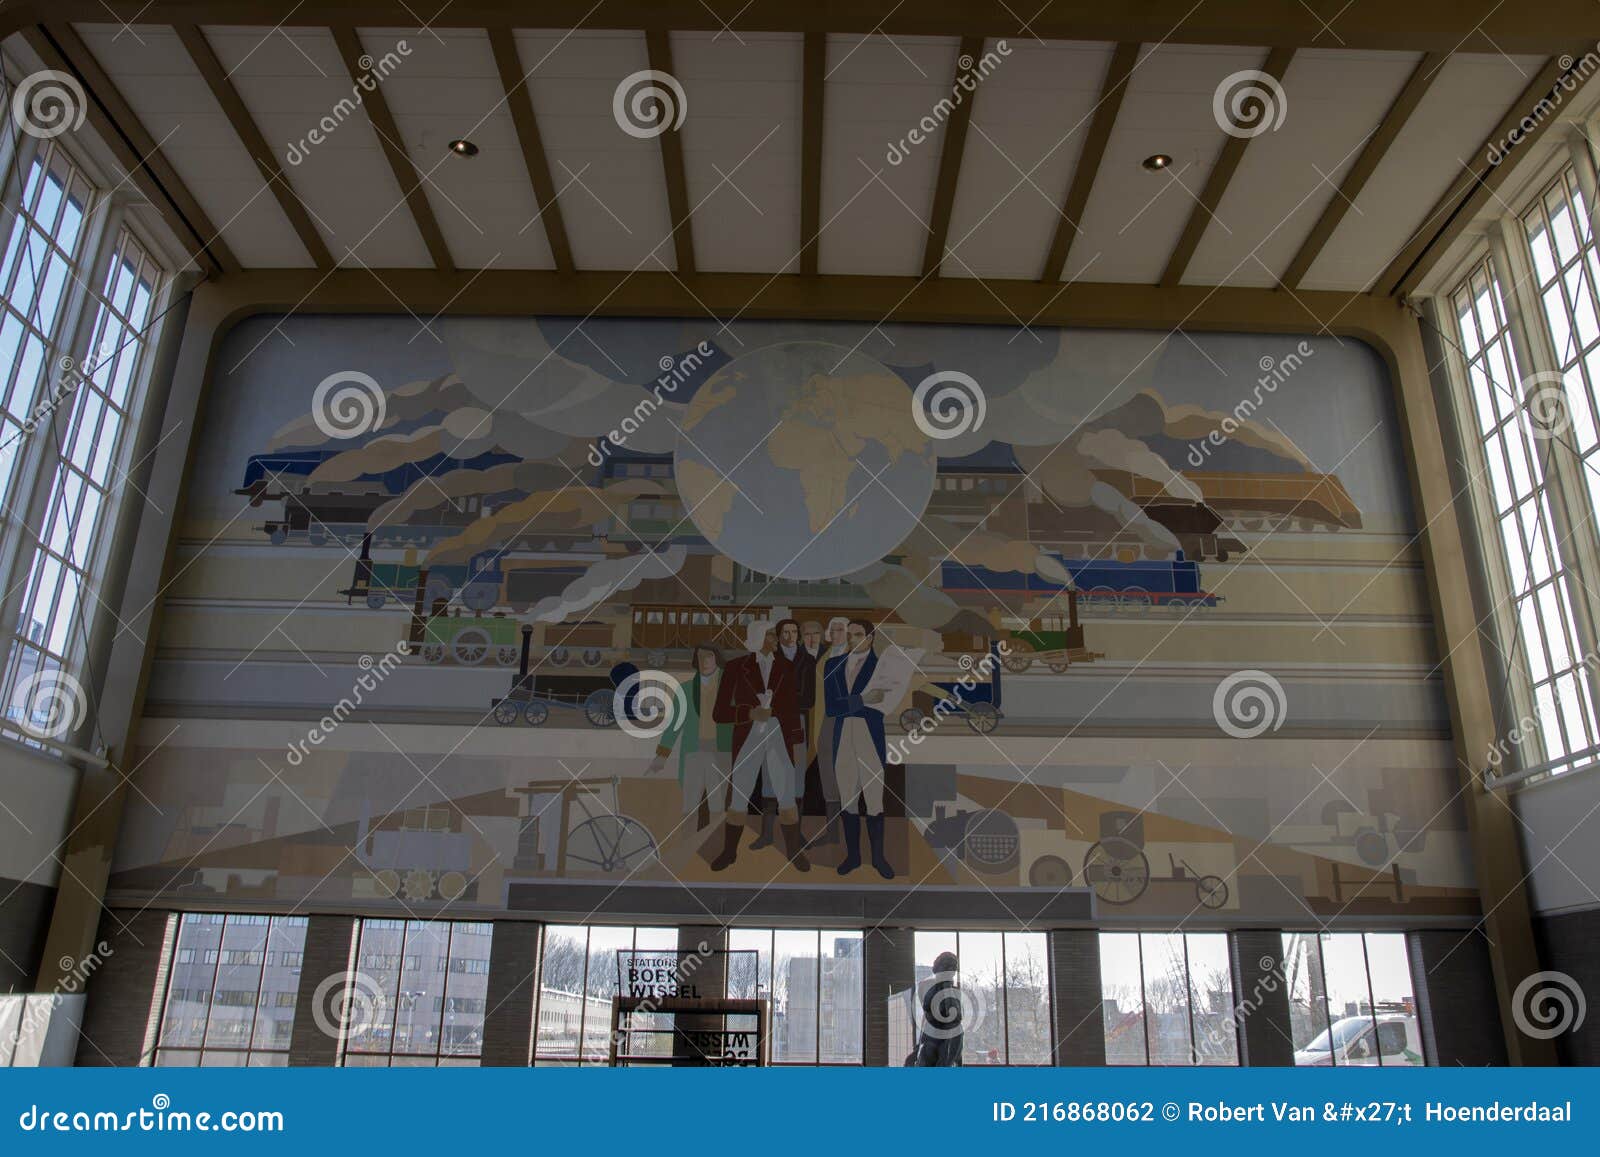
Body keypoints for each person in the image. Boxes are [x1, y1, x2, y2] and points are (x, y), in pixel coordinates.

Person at [711, 621, 809, 872]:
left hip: (779, 736)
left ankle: (793, 852)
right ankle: (729, 852)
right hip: (748, 736)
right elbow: (719, 712)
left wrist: (796, 739)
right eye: (770, 635)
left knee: (787, 794)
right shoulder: (735, 667)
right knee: (739, 796)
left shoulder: (786, 668)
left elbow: (791, 708)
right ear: (756, 637)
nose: (776, 639)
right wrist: (749, 713)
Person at [823, 618, 894, 878]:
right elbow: (831, 708)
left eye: (858, 634)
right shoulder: (832, 665)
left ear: (871, 637)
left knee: (874, 799)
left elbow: (883, 705)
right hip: (843, 736)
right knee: (848, 799)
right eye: (850, 635)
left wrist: (853, 703)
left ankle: (878, 858)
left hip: (869, 736)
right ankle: (853, 856)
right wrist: (863, 699)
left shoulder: (882, 668)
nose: (853, 639)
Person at [645, 645, 732, 830]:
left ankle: (713, 840)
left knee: (718, 802)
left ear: (717, 658)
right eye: (700, 658)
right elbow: (674, 725)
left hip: (722, 750)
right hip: (694, 750)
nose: (705, 662)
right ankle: (688, 842)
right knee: (690, 802)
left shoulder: (730, 687)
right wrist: (662, 755)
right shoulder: (685, 690)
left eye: (709, 657)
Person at [913, 951, 963, 1066]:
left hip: (951, 1036)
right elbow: (931, 1013)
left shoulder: (955, 991)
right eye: (947, 966)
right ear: (938, 968)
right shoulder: (925, 986)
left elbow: (955, 1016)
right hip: (933, 1034)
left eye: (953, 968)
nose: (951, 971)